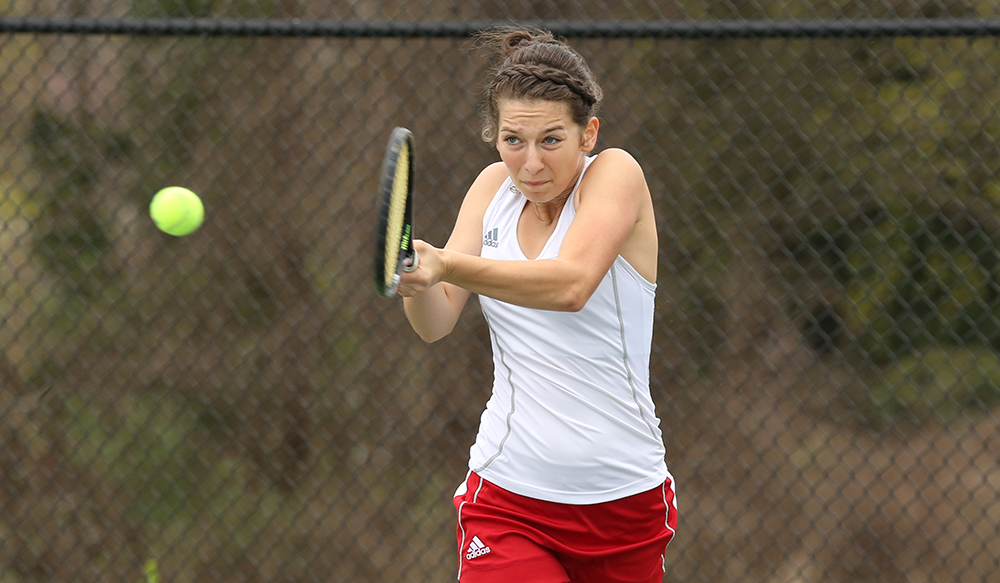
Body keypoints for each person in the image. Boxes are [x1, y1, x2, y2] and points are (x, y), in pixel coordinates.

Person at [397, 26, 676, 583]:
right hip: (506, 497)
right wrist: (419, 283)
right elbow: (436, 322)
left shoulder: (616, 174)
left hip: (624, 501)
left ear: (587, 133)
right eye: (512, 140)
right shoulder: (489, 189)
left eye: (551, 140)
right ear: (493, 136)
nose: (529, 164)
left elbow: (569, 286)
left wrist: (447, 264)